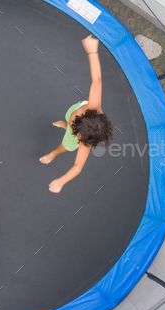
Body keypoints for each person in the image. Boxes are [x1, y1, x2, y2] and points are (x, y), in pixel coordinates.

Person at [39, 35, 113, 193]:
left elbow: (78, 166)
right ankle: (65, 124)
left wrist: (61, 181)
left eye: (77, 135)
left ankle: (54, 153)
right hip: (74, 111)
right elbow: (97, 80)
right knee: (68, 118)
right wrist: (92, 52)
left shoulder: (83, 142)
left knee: (64, 145)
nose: (79, 138)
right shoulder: (93, 106)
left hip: (71, 133)